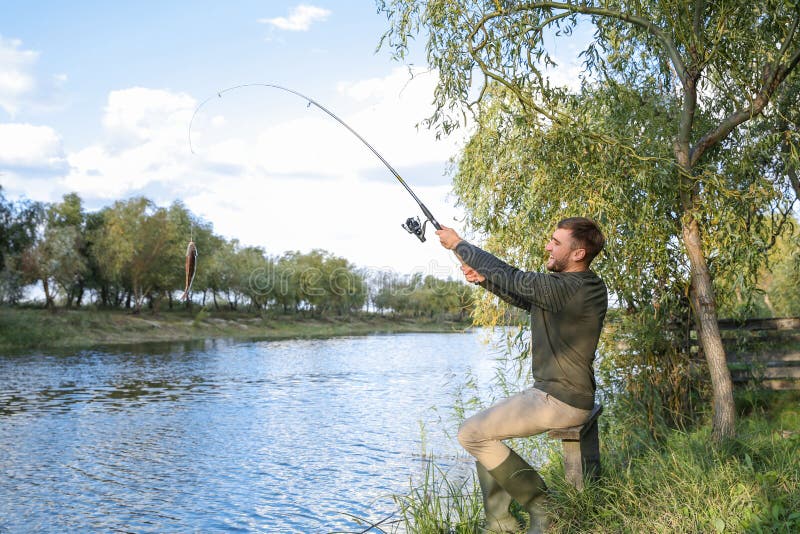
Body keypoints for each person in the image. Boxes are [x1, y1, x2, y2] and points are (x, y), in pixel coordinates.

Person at [436, 217, 607, 534]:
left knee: (472, 434)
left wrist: (459, 244)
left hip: (562, 399)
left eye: (556, 242)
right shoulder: (575, 287)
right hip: (552, 393)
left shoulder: (574, 287)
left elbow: (516, 280)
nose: (548, 246)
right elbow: (524, 297)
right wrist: (484, 280)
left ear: (578, 253)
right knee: (480, 431)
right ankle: (501, 524)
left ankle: (542, 509)